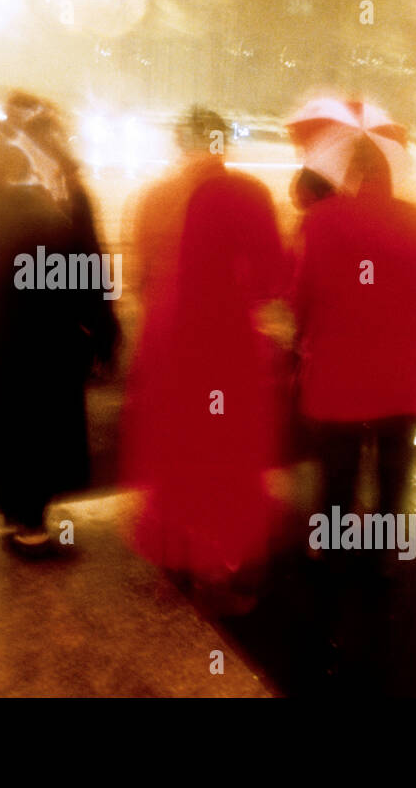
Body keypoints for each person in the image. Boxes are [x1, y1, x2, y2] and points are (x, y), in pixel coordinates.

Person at [122, 106, 290, 608]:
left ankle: (180, 559)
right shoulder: (249, 194)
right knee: (229, 449)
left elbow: (138, 278)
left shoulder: (153, 196)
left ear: (180, 143)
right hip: (226, 339)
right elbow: (271, 279)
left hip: (168, 339)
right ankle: (228, 565)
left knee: (177, 447)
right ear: (224, 144)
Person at [289, 132, 416, 573]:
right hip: (402, 376)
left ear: (349, 172)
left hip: (336, 374)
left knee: (338, 472)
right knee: (393, 473)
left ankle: (331, 552)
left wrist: (307, 338)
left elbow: (301, 295)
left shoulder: (320, 221)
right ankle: (382, 555)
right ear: (389, 173)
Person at [0, 92, 118, 554]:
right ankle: (32, 526)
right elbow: (83, 267)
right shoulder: (51, 198)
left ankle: (15, 514)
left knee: (9, 424)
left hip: (1, 337)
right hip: (44, 339)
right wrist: (99, 326)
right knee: (38, 426)